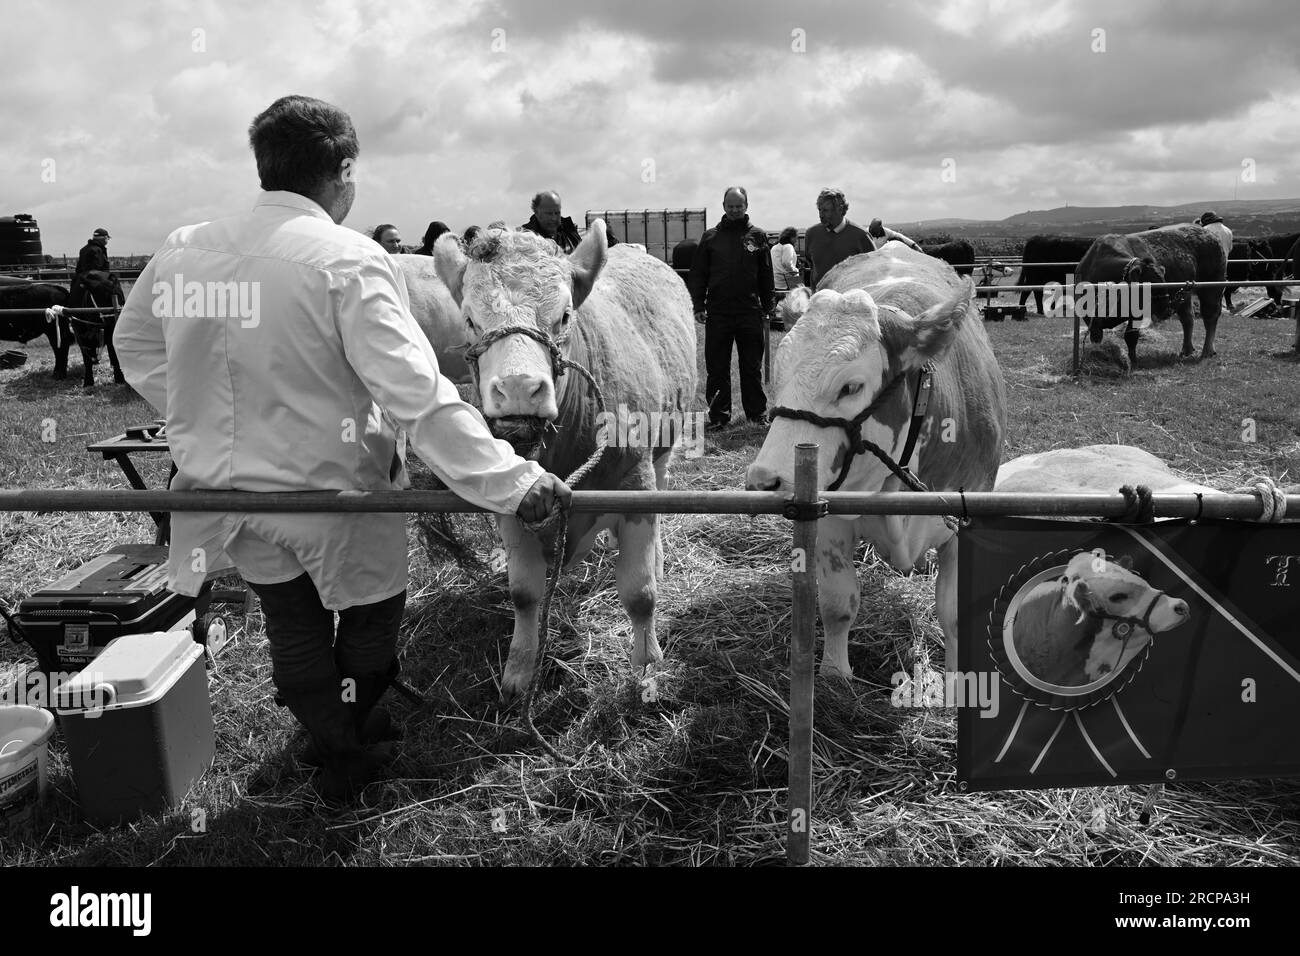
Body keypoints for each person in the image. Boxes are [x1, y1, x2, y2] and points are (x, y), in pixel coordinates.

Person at [114, 95, 571, 805]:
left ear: (264, 165)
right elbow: (416, 395)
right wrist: (513, 482)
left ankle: (331, 732)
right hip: (336, 491)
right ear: (344, 172)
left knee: (288, 616)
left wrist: (192, 415)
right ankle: (345, 744)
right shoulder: (347, 260)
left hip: (222, 489)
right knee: (368, 620)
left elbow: (132, 342)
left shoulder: (184, 248)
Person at [687, 186, 773, 429]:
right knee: (717, 368)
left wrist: (768, 305)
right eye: (731, 206)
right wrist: (698, 305)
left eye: (739, 206)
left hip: (749, 312)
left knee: (751, 366)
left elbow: (766, 274)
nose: (735, 210)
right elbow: (698, 274)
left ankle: (757, 414)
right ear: (724, 206)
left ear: (746, 206)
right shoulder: (710, 237)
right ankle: (718, 417)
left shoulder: (758, 236)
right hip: (718, 312)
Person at [804, 188, 921, 288]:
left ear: (840, 209)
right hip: (818, 304)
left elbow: (875, 271)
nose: (821, 215)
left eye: (825, 210)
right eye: (819, 210)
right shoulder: (811, 234)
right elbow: (812, 268)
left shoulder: (861, 236)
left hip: (851, 305)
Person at [519, 191, 620, 251]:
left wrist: (608, 241)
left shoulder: (569, 231)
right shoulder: (523, 239)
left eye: (557, 213)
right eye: (549, 214)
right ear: (537, 213)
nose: (554, 218)